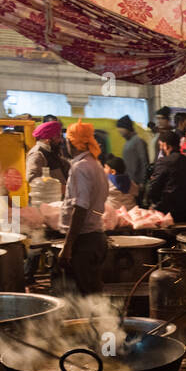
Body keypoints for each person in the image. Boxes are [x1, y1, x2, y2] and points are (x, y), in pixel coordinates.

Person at [57, 121, 109, 296]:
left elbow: (80, 208)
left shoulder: (80, 168)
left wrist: (68, 246)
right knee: (94, 296)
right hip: (96, 238)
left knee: (84, 300)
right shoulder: (96, 164)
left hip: (84, 243)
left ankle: (89, 324)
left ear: (71, 142)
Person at [145, 130, 186, 222]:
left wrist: (154, 202)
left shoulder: (163, 162)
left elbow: (153, 188)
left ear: (166, 145)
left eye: (160, 145)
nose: (160, 148)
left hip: (168, 211)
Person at [25, 119, 68, 187]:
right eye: (58, 137)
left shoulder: (51, 152)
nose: (61, 140)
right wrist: (57, 188)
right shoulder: (37, 154)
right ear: (48, 139)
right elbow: (32, 179)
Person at [116, 114, 149, 201]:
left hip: (137, 182)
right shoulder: (128, 142)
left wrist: (142, 181)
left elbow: (144, 161)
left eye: (120, 129)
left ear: (127, 127)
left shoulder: (138, 141)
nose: (119, 131)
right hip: (130, 182)